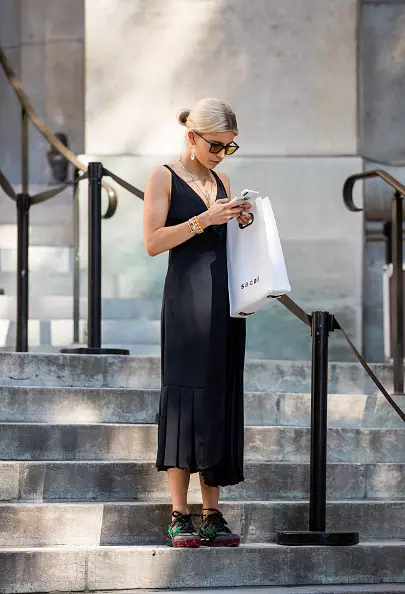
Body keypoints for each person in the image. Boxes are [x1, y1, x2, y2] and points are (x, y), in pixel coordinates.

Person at [143, 98, 252, 548]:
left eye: (229, 147)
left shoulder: (222, 180)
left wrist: (242, 220)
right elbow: (152, 242)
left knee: (219, 398)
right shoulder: (162, 176)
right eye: (215, 145)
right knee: (186, 397)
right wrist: (202, 220)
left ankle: (212, 514)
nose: (221, 155)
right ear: (192, 136)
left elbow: (227, 244)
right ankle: (179, 514)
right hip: (186, 300)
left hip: (224, 302)